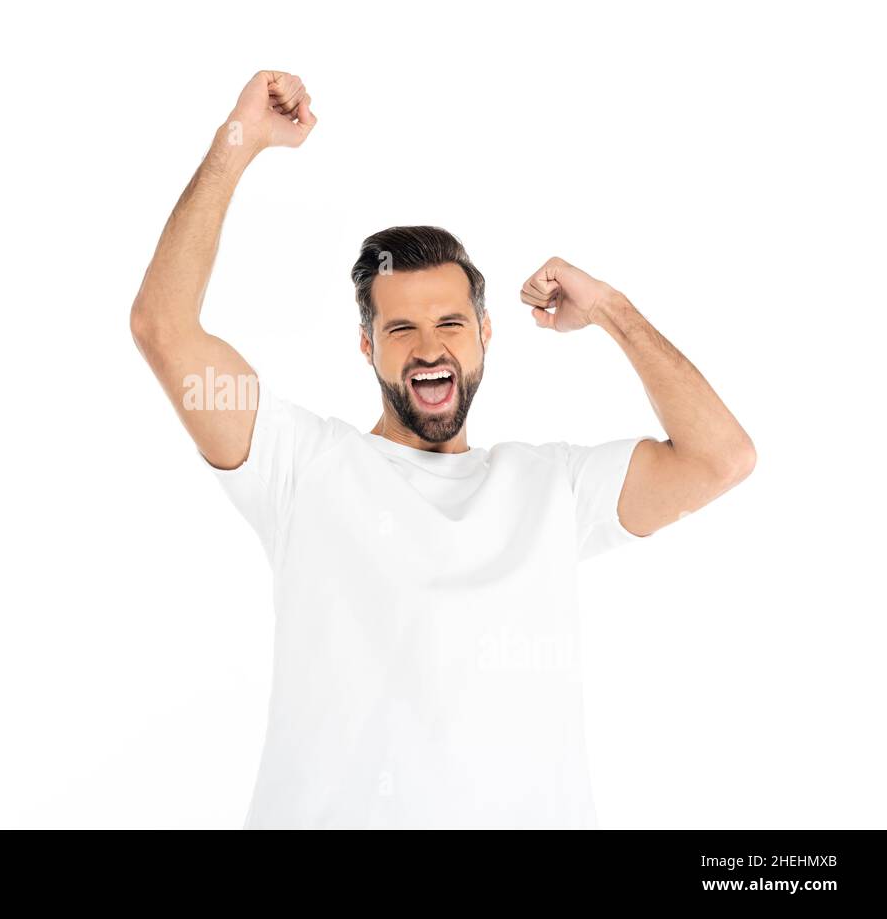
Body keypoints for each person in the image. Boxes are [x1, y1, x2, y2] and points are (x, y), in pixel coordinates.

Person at [129, 70, 756, 829]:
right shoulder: (296, 464)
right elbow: (163, 328)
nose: (430, 349)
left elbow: (721, 456)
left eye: (451, 324)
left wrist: (612, 310)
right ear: (366, 346)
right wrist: (239, 141)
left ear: (485, 334)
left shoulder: (551, 487)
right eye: (400, 329)